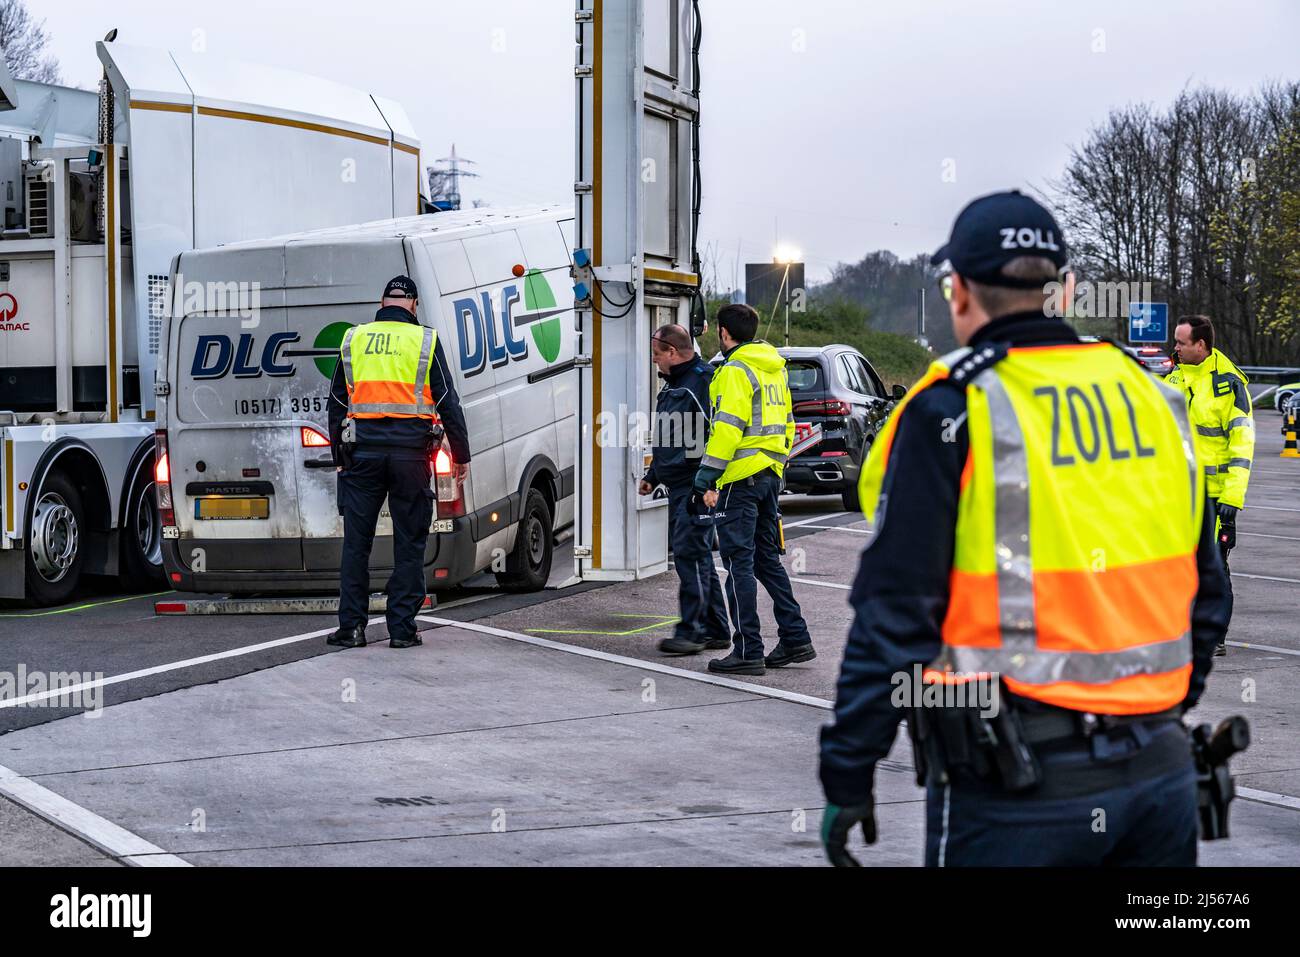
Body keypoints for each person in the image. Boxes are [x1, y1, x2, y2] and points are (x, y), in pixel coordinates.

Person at [818, 191, 1230, 867]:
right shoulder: (1154, 397)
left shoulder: (954, 403)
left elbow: (894, 612)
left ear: (958, 292)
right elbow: (1209, 591)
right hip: (1160, 776)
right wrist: (1159, 709)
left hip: (1018, 788)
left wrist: (848, 768)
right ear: (1061, 289)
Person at [326, 275, 471, 649]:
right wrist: (461, 454)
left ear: (382, 301)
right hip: (411, 457)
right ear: (414, 305)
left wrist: (338, 458)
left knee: (357, 543)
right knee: (410, 541)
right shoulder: (425, 340)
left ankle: (352, 628)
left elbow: (337, 404)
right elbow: (447, 401)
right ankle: (402, 630)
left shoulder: (354, 339)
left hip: (363, 457)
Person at [693, 303, 814, 675]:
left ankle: (748, 649)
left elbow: (728, 427)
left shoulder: (734, 371)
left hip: (739, 480)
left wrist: (707, 473)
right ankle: (795, 637)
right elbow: (790, 423)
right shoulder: (773, 368)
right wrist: (775, 466)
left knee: (738, 564)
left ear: (723, 332)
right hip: (768, 476)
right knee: (766, 561)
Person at [640, 324, 733, 655]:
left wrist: (706, 485)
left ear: (671, 352)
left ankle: (690, 632)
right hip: (678, 484)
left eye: (656, 355)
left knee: (689, 555)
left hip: (697, 486)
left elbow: (718, 436)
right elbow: (671, 436)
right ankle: (717, 629)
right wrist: (654, 474)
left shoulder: (703, 382)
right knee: (698, 556)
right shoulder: (674, 385)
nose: (654, 362)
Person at [1166, 315, 1253, 656]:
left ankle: (1214, 635)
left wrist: (1233, 497)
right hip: (1180, 493)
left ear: (1200, 345)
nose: (1175, 347)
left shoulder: (1228, 384)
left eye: (1181, 343)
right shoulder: (1173, 377)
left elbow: (1243, 444)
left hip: (1216, 493)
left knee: (1214, 565)